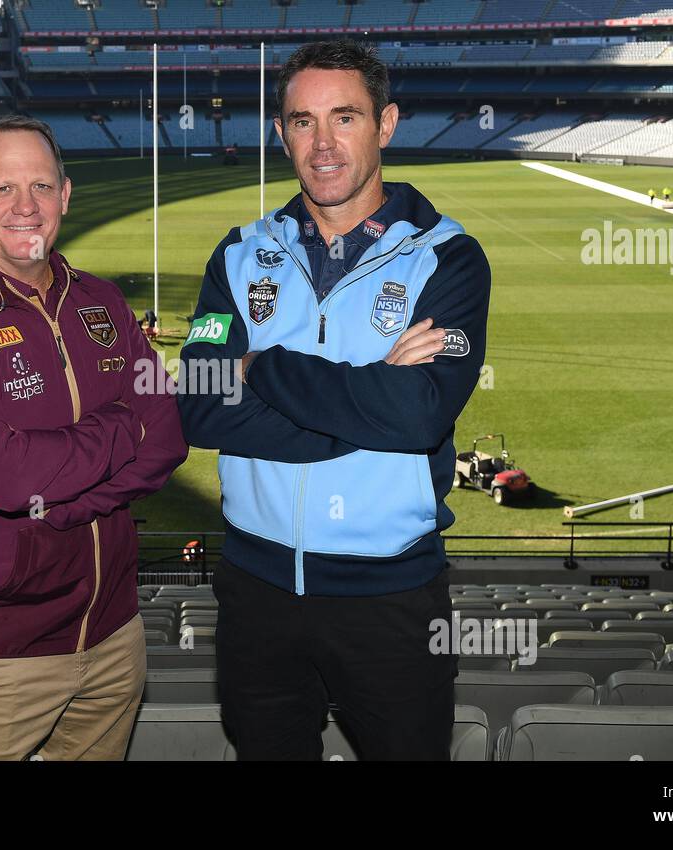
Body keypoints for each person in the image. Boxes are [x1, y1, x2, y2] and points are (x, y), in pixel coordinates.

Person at [178, 39, 490, 760]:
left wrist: (257, 366)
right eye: (300, 121)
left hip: (392, 598)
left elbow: (419, 415)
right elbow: (195, 403)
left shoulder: (447, 258)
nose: (322, 144)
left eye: (343, 118)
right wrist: (369, 395)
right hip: (255, 591)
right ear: (279, 132)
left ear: (385, 124)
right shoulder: (238, 254)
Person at [0, 114, 188, 760]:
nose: (27, 208)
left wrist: (64, 505)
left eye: (43, 187)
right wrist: (121, 425)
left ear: (66, 195)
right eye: (2, 189)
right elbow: (9, 477)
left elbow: (165, 436)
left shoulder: (101, 303)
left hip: (113, 636)